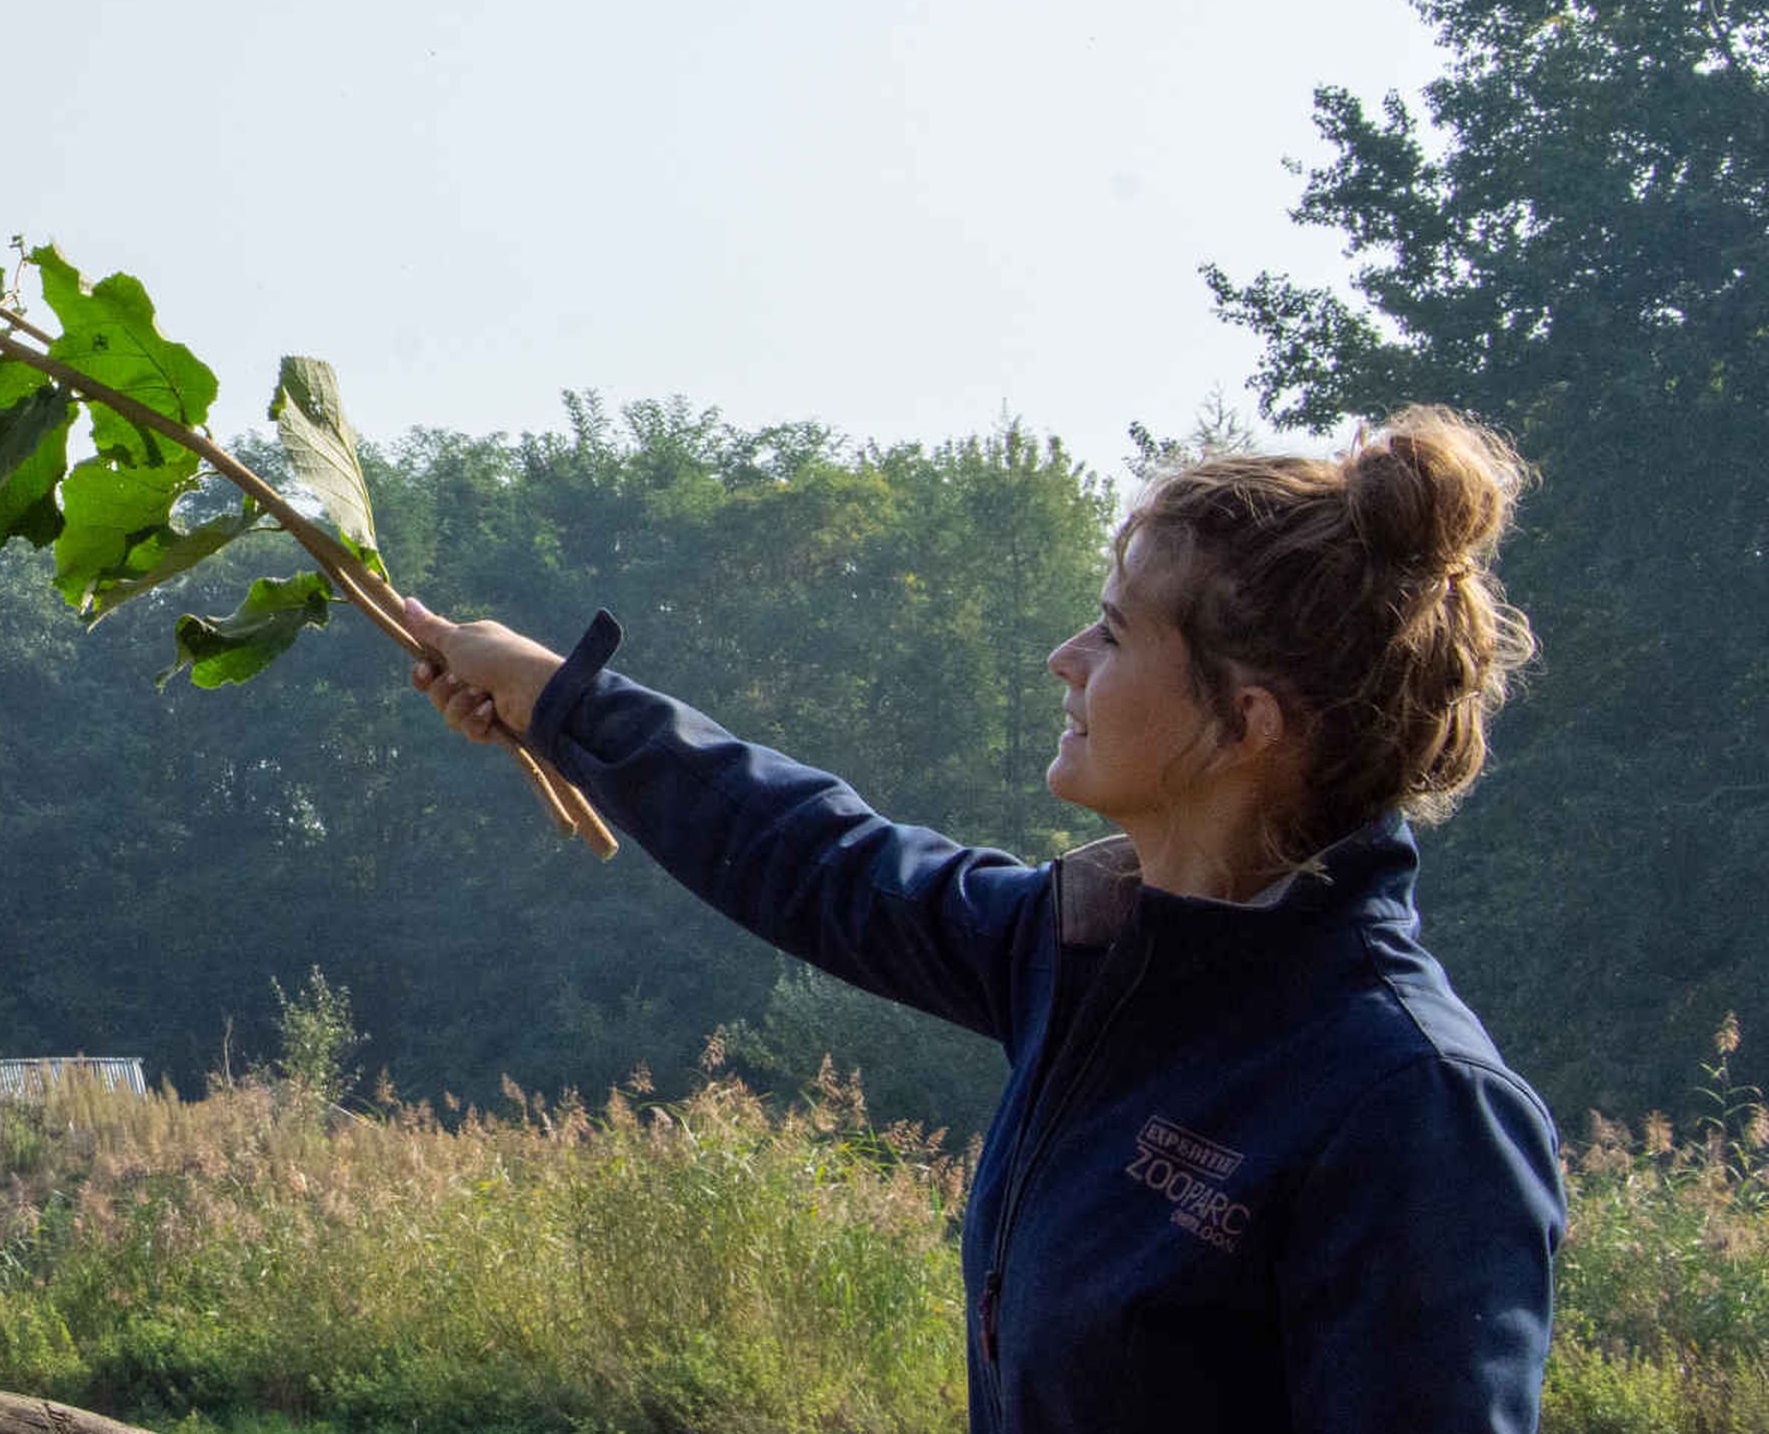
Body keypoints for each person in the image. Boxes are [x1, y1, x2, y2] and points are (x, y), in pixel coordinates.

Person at [399, 408, 1567, 1433]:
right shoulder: (1088, 957)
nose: (1065, 658)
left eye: (1113, 632)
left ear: (1246, 721)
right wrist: (563, 699)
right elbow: (818, 858)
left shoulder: (1415, 1106)